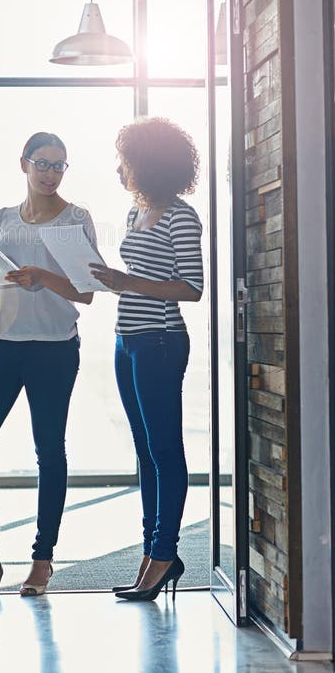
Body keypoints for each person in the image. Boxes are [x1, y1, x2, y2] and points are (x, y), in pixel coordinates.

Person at [0, 132, 97, 597]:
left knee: (49, 452)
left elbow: (86, 291)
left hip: (54, 347)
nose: (50, 173)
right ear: (24, 165)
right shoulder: (2, 220)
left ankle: (42, 559)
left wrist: (43, 277)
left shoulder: (77, 220)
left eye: (59, 165)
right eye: (43, 163)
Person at [90, 117, 203, 602]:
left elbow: (192, 288)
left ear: (148, 164)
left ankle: (164, 554)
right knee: (143, 453)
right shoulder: (137, 213)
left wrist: (125, 282)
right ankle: (152, 553)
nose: (119, 170)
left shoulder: (182, 217)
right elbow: (131, 277)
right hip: (127, 339)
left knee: (163, 451)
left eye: (126, 161)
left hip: (160, 340)